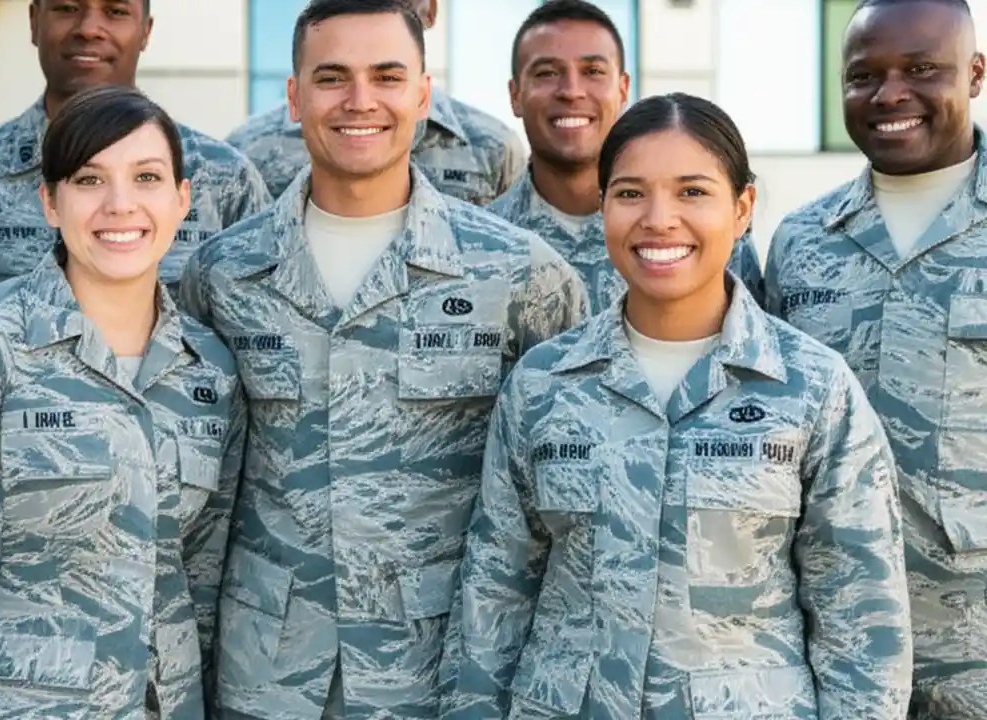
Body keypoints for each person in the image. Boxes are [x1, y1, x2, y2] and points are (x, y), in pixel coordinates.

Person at [178, 1, 587, 717]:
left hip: (443, 674)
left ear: (423, 94)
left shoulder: (520, 275)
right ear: (295, 97)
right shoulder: (223, 275)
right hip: (269, 676)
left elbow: (566, 503)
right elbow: (198, 500)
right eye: (332, 77)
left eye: (388, 76)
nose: (360, 100)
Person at [449, 93, 913, 720]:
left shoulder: (812, 388)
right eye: (630, 193)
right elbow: (494, 596)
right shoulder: (542, 385)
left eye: (693, 192)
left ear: (742, 208)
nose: (659, 219)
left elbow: (863, 622)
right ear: (603, 207)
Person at [0, 86, 246, 719]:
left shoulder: (209, 372)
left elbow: (197, 582)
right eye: (89, 179)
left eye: (147, 178)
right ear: (49, 201)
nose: (120, 204)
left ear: (182, 200)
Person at [764, 0, 987, 716]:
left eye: (921, 69)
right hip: (830, 641)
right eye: (864, 76)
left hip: (973, 647)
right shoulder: (800, 242)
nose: (890, 94)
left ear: (975, 74)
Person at [0, 0, 270, 291]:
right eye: (67, 8)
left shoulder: (226, 179)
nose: (89, 29)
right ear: (33, 22)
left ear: (146, 31)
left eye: (115, 11)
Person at [488, 0, 763, 314]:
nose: (572, 91)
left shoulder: (708, 229)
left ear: (622, 89)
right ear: (515, 95)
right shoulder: (482, 241)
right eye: (547, 73)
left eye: (593, 71)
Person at [226, 0, 525, 206]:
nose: (361, 103)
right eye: (332, 78)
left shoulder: (493, 148)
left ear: (430, 11)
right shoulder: (250, 151)